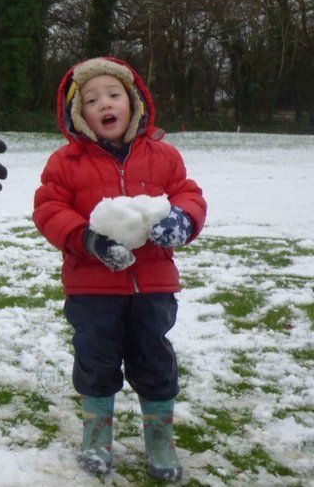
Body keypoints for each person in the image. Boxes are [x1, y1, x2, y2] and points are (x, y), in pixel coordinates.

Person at [32, 57, 206, 481]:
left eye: (113, 95)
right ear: (79, 113)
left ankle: (160, 437)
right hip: (92, 287)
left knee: (154, 359)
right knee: (95, 359)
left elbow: (189, 194)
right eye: (91, 100)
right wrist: (88, 239)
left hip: (153, 285)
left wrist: (182, 219)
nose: (104, 104)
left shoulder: (163, 156)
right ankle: (96, 435)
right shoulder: (65, 163)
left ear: (133, 103)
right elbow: (49, 209)